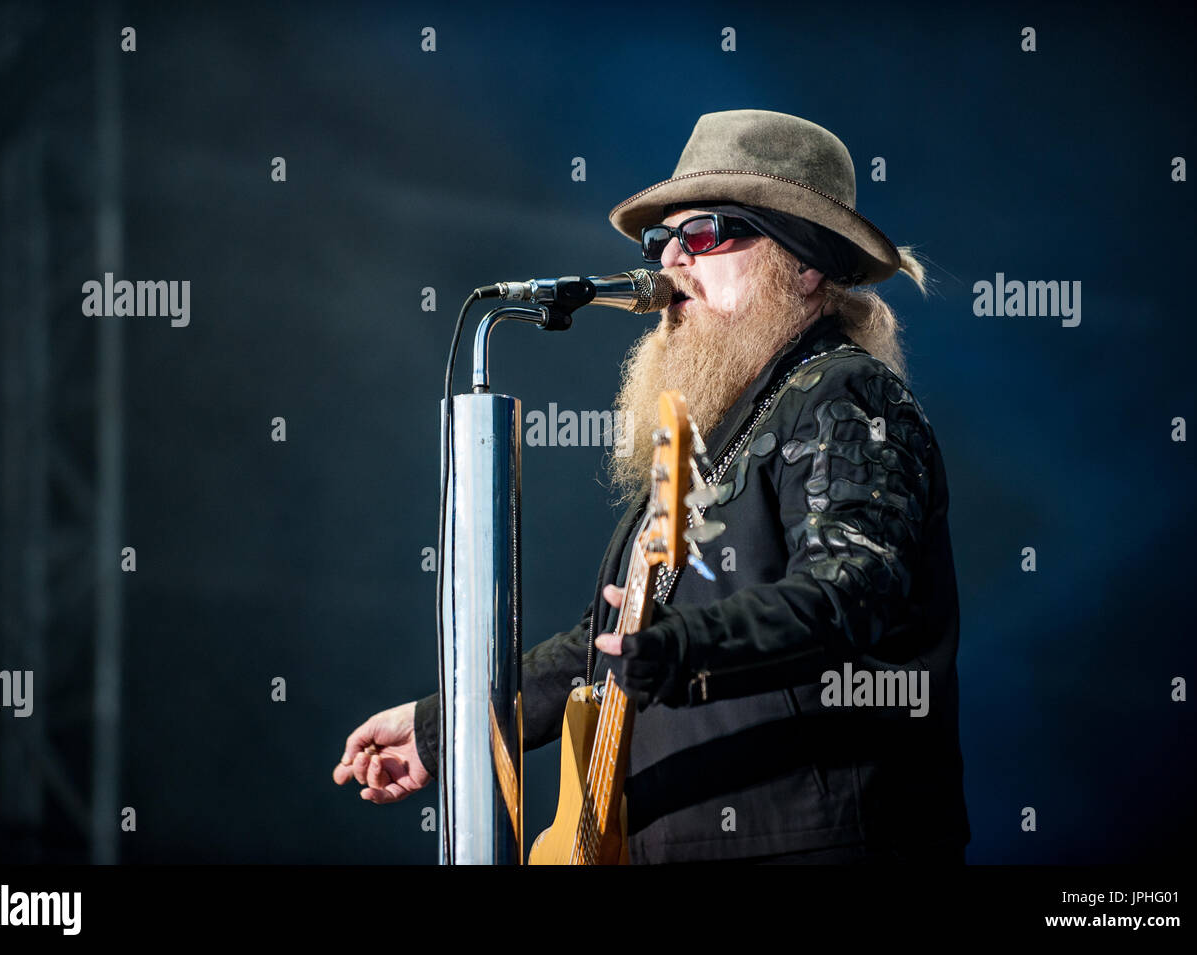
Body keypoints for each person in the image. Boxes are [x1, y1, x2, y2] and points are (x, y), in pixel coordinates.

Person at [332, 109, 970, 864]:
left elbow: (851, 589)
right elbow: (605, 649)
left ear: (805, 263)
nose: (670, 259)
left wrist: (685, 650)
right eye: (660, 239)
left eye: (704, 232)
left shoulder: (844, 395)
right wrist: (446, 727)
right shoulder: (716, 434)